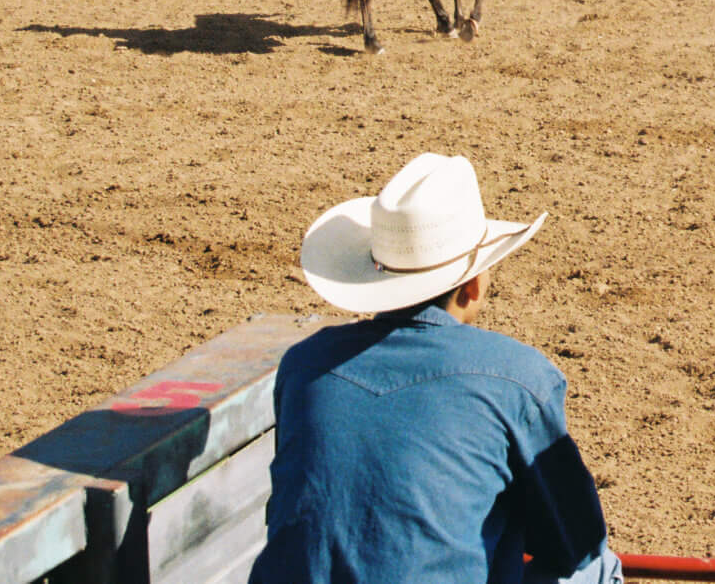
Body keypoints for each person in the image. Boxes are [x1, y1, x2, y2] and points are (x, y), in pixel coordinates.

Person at [253, 153, 621, 584]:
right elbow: (575, 541)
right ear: (474, 285)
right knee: (597, 568)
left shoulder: (304, 365)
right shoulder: (517, 377)